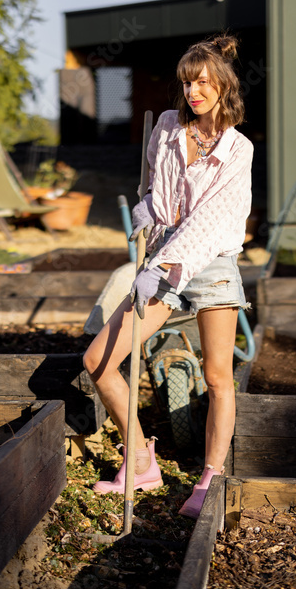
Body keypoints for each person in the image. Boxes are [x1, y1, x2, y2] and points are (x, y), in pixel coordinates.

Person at [82, 34, 253, 519]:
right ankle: (139, 460)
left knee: (219, 376)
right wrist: (145, 215)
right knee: (99, 359)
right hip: (161, 261)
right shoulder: (167, 130)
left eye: (202, 82)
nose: (193, 91)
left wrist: (160, 267)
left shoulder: (239, 149)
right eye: (187, 82)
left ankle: (210, 477)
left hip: (211, 263)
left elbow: (213, 219)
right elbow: (160, 198)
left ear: (223, 85)